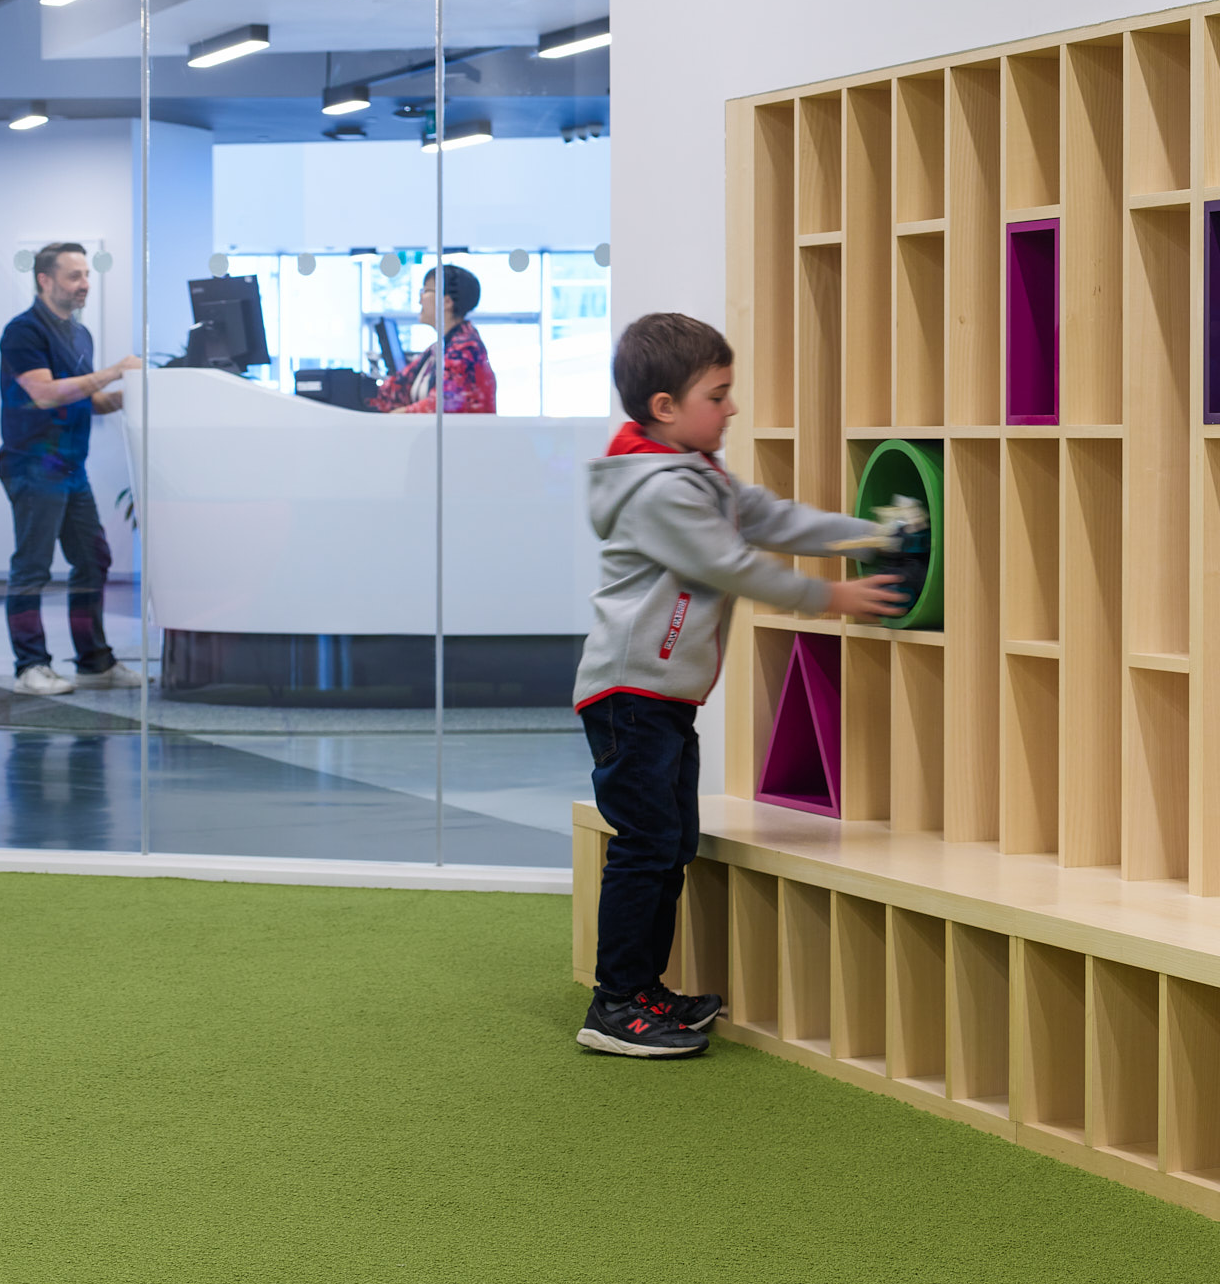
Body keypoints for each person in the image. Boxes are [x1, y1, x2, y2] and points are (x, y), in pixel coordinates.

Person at [572, 311, 905, 1058]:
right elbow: (734, 566)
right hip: (631, 694)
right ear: (667, 409)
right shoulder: (662, 492)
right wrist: (832, 597)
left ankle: (642, 989)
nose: (732, 408)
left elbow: (773, 521)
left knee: (670, 842)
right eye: (718, 395)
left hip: (663, 697)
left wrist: (867, 533)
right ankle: (615, 1004)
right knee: (646, 844)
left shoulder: (700, 476)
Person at [0, 240, 143, 699]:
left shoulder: (79, 334)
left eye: (86, 276)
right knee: (32, 567)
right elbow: (44, 393)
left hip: (69, 466)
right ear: (45, 280)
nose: (85, 285)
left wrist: (132, 394)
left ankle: (94, 662)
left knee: (92, 560)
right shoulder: (23, 332)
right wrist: (115, 371)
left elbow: (87, 398)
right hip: (33, 465)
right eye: (75, 276)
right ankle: (30, 666)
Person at [373, 264, 495, 414]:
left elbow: (445, 405)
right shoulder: (438, 349)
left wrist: (399, 415)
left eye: (425, 291)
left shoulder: (467, 349)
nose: (420, 300)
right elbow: (395, 387)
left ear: (447, 302)